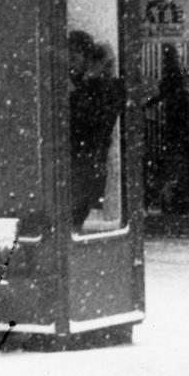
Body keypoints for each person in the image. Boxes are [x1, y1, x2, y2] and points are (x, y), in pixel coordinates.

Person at [68, 31, 125, 231]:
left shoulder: (96, 89)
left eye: (75, 56)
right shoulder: (89, 87)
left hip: (85, 156)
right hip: (87, 157)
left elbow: (87, 120)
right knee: (78, 212)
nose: (70, 63)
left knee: (78, 210)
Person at [147, 45, 189, 214]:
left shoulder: (172, 76)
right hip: (184, 129)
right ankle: (183, 199)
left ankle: (176, 199)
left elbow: (159, 96)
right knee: (183, 165)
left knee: (175, 165)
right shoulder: (183, 75)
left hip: (177, 128)